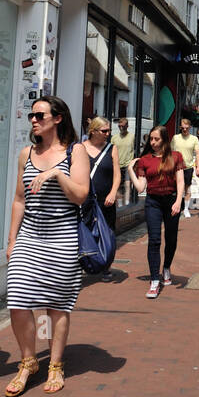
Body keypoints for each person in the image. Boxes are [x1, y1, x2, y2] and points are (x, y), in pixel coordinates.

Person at [4, 95, 91, 396]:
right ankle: (28, 361)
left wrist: (56, 173)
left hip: (62, 238)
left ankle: (55, 364)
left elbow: (80, 194)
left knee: (56, 305)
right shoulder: (26, 153)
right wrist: (12, 239)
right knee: (17, 301)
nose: (34, 120)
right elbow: (18, 199)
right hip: (29, 236)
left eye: (40, 115)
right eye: (31, 115)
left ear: (58, 118)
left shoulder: (75, 151)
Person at [129, 124, 185, 298]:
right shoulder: (145, 160)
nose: (152, 142)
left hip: (171, 200)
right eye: (150, 139)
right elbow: (140, 187)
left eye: (156, 139)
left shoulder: (175, 157)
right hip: (152, 202)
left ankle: (166, 267)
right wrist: (130, 169)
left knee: (171, 238)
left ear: (164, 140)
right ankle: (154, 279)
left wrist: (178, 201)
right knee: (154, 240)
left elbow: (181, 182)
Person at [81, 116, 121, 281]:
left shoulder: (112, 149)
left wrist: (113, 193)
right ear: (93, 131)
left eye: (109, 130)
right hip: (85, 199)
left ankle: (106, 265)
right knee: (84, 232)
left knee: (108, 233)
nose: (108, 133)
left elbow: (117, 175)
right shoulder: (80, 148)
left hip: (106, 199)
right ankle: (84, 263)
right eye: (104, 131)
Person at [170, 118, 199, 219]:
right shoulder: (175, 138)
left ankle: (186, 209)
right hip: (175, 168)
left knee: (187, 189)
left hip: (187, 167)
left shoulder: (194, 139)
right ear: (180, 127)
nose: (184, 130)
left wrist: (198, 167)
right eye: (183, 128)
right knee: (174, 188)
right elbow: (170, 152)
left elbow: (198, 153)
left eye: (186, 128)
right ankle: (175, 207)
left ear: (190, 127)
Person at [112, 117, 136, 205]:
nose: (121, 128)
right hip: (117, 164)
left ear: (127, 126)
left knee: (127, 185)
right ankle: (119, 203)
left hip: (128, 164)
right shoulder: (114, 138)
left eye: (123, 126)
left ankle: (126, 203)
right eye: (119, 126)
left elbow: (136, 148)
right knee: (117, 185)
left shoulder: (132, 136)